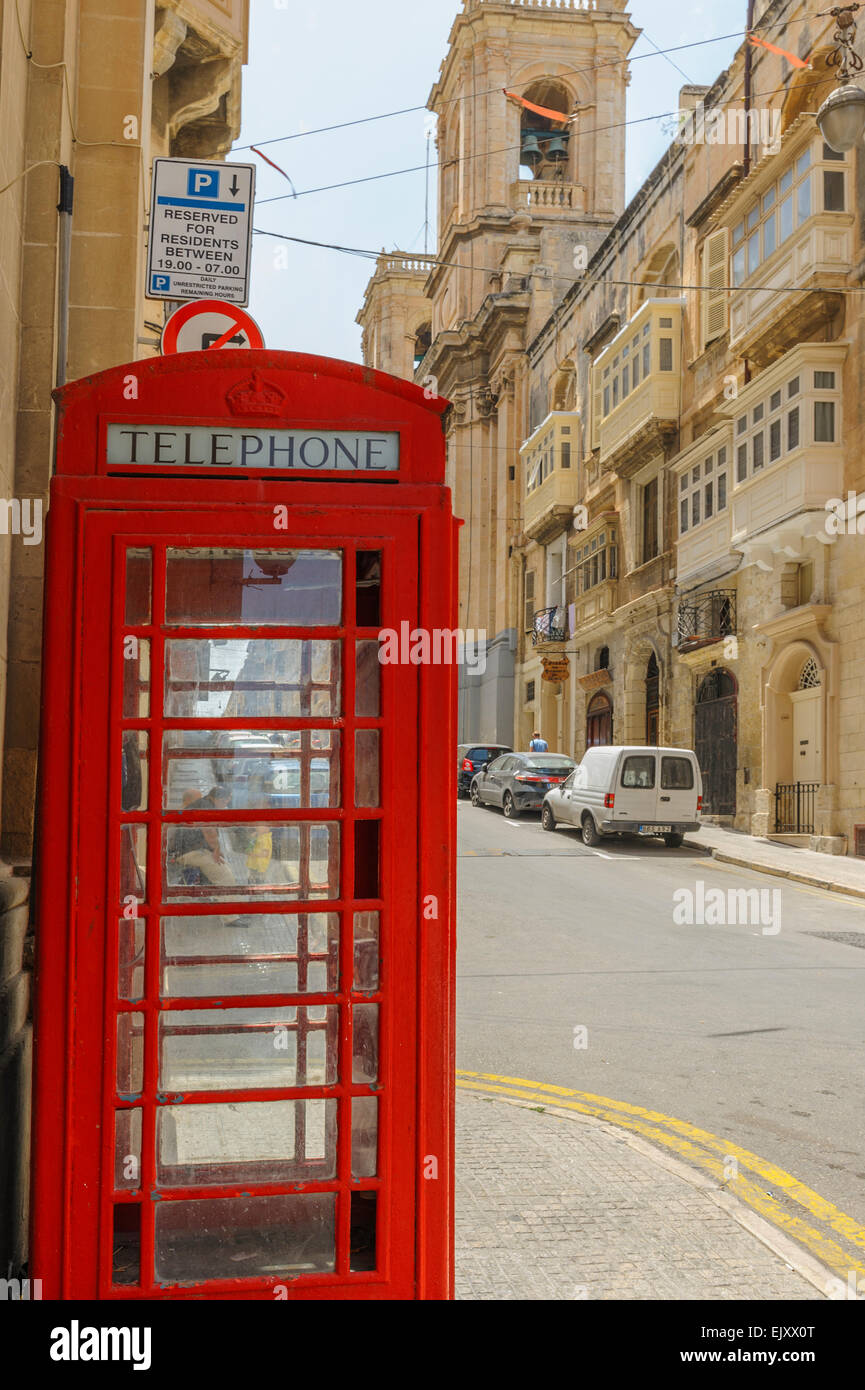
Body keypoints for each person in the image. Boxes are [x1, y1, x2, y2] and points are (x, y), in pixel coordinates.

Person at [174, 784, 235, 887]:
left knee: (220, 869)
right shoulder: (207, 806)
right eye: (226, 803)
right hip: (191, 851)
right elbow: (209, 831)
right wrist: (216, 849)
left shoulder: (203, 803)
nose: (225, 806)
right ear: (221, 800)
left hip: (187, 850)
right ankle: (226, 901)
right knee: (226, 878)